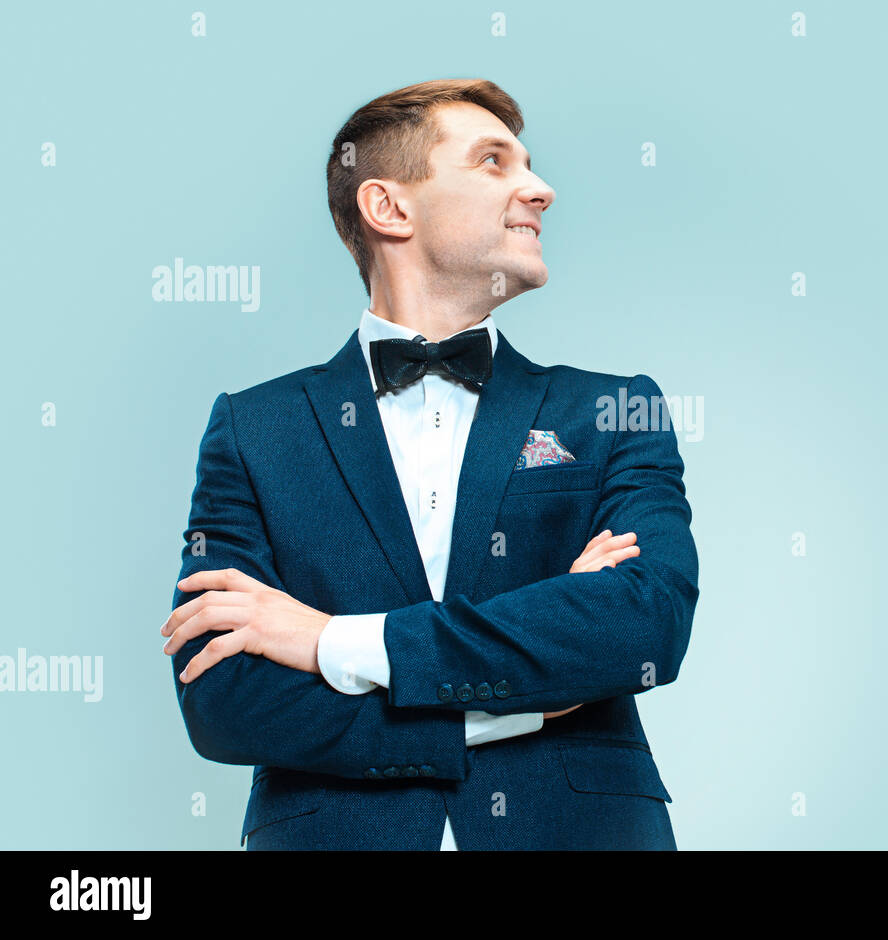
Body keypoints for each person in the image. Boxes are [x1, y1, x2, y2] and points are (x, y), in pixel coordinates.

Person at [160, 78, 699, 850]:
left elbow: (643, 627)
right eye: (493, 162)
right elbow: (223, 698)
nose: (540, 190)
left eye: (529, 165)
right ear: (389, 208)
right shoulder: (254, 429)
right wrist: (526, 697)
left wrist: (327, 642)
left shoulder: (616, 409)